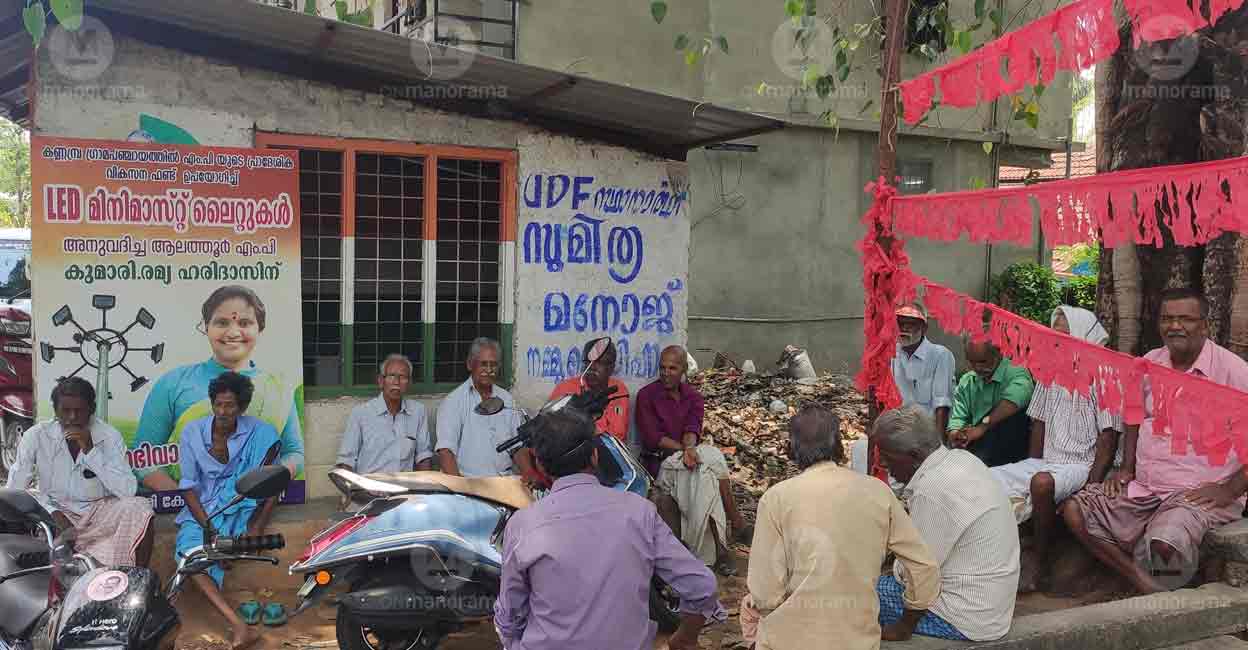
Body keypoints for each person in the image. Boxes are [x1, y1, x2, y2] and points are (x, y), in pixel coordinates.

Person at [1063, 289, 1248, 594]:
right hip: (1146, 488)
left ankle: (1166, 601)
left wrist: (1230, 488)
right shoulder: (1149, 363)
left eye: (1186, 319)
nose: (1175, 326)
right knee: (1075, 510)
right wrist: (1127, 468)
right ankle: (1141, 581)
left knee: (1165, 543)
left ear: (1205, 325)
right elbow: (1133, 416)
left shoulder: (1234, 372)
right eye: (1168, 319)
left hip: (1196, 495)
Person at [494, 408, 724, 650]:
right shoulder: (639, 512)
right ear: (595, 456)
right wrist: (686, 637)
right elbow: (702, 586)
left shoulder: (523, 524)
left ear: (540, 465)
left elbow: (509, 615)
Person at [740, 405, 941, 649]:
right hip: (858, 641)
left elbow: (765, 593)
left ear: (790, 449)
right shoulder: (878, 492)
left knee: (749, 609)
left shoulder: (775, 499)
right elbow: (923, 566)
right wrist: (908, 622)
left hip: (791, 641)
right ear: (839, 447)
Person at [990, 305, 1121, 592]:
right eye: (1055, 333)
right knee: (987, 477)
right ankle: (994, 553)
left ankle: (1041, 559)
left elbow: (1108, 437)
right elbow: (1039, 422)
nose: (1058, 339)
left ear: (1082, 334)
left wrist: (1091, 486)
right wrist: (1032, 462)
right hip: (1048, 461)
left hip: (1081, 465)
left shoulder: (1104, 374)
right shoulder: (1051, 370)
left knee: (1041, 482)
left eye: (1065, 333)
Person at [873, 405, 1020, 642]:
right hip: (992, 608)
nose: (883, 465)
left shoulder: (933, 489)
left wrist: (903, 627)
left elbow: (919, 573)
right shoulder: (961, 459)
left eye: (888, 458)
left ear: (913, 455)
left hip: (963, 618)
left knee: (855, 591)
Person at [135, 285, 303, 492]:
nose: (233, 332)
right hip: (191, 505)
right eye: (222, 322)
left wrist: (260, 487)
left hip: (255, 502)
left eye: (244, 323)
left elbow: (294, 453)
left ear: (260, 329)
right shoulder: (174, 382)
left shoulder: (277, 387)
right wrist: (184, 499)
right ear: (206, 327)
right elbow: (143, 457)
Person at [175, 372, 282, 650]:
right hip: (202, 513)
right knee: (188, 556)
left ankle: (238, 622)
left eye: (230, 406)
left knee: (224, 550)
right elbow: (187, 487)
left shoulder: (262, 433)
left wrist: (258, 525)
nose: (222, 412)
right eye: (218, 405)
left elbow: (273, 484)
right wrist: (209, 529)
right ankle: (239, 626)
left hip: (239, 510)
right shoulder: (192, 432)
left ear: (242, 407)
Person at [7, 377, 155, 567]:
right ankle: (65, 563)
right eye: (66, 411)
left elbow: (127, 490)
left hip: (99, 514)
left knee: (140, 507)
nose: (72, 418)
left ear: (91, 410)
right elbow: (16, 490)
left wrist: (91, 451)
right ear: (55, 411)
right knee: (33, 527)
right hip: (56, 512)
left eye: (79, 411)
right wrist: (51, 511)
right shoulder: (36, 436)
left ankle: (137, 579)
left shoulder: (109, 436)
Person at [637, 345, 749, 575]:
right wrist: (685, 450)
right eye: (662, 368)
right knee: (711, 460)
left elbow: (692, 429)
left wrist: (689, 448)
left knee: (705, 476)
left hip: (687, 459)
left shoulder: (693, 397)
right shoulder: (647, 396)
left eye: (672, 368)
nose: (666, 373)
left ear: (684, 370)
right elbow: (654, 438)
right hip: (661, 463)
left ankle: (718, 548)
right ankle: (732, 529)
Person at [850, 302, 955, 480]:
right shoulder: (888, 354)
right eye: (900, 323)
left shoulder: (940, 355)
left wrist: (938, 449)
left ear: (924, 327)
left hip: (925, 431)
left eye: (911, 324)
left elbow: (941, 404)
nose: (904, 328)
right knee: (860, 452)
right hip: (897, 428)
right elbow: (879, 398)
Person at [436, 337, 521, 478]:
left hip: (504, 482)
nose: (489, 370)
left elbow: (517, 446)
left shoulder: (507, 399)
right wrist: (461, 490)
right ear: (470, 364)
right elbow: (446, 451)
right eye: (483, 364)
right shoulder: (453, 402)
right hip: (470, 483)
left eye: (493, 365)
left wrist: (530, 473)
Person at [336, 354, 433, 474]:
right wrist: (355, 490)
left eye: (403, 377)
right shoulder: (361, 414)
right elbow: (346, 462)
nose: (397, 382)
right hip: (369, 488)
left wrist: (424, 489)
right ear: (381, 381)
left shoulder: (418, 412)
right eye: (391, 376)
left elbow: (423, 456)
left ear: (409, 383)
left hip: (404, 489)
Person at [947, 338, 1035, 467]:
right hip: (977, 447)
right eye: (972, 362)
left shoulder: (1016, 372)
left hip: (1010, 449)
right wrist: (955, 433)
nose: (977, 367)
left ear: (998, 353)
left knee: (1012, 418)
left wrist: (983, 427)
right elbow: (958, 417)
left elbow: (1017, 397)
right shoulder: (967, 381)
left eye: (983, 361)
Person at [548, 338, 630, 441]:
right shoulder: (565, 390)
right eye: (588, 362)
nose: (592, 368)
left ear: (611, 367)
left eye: (599, 362)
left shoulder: (620, 390)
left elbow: (620, 435)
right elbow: (550, 433)